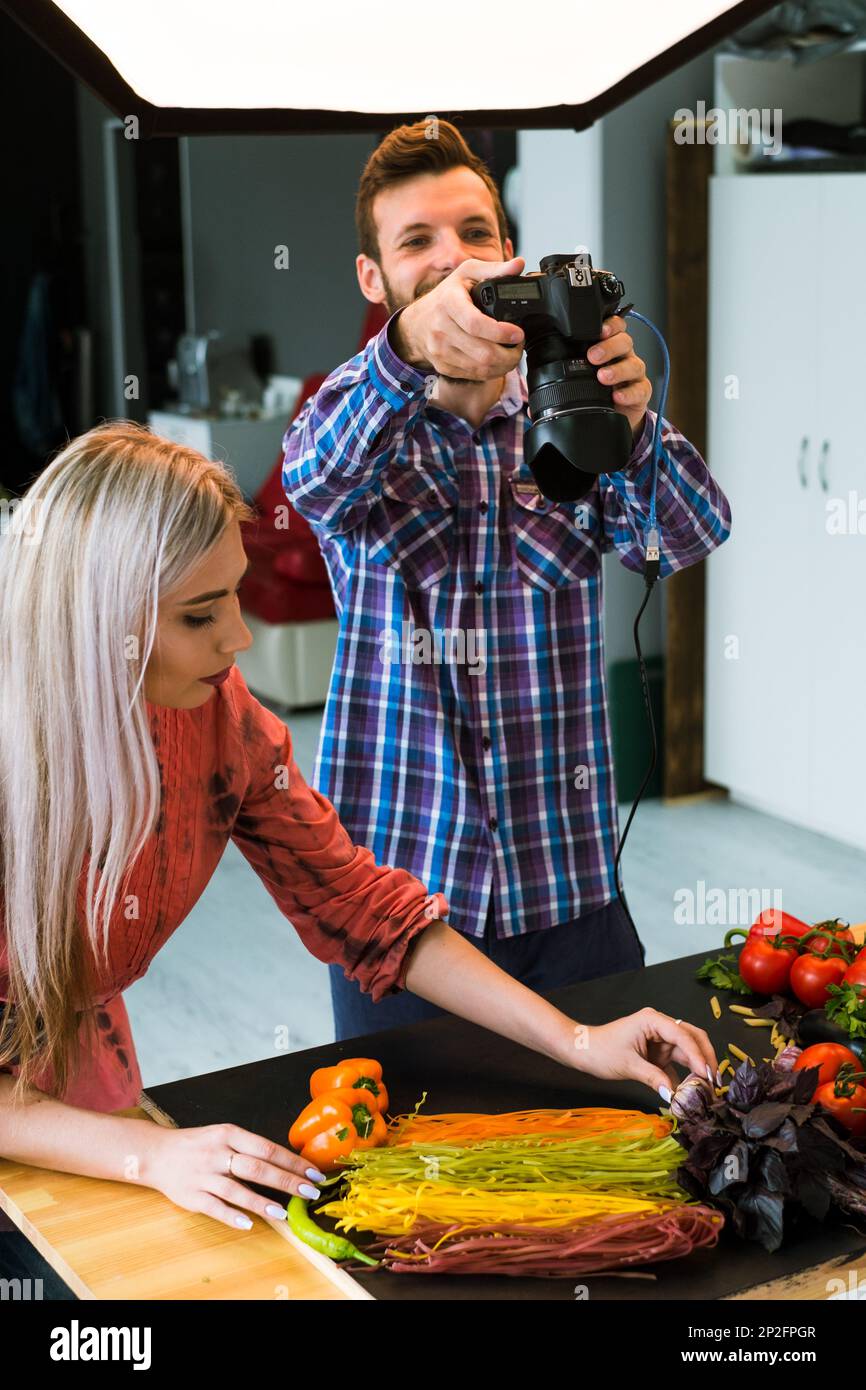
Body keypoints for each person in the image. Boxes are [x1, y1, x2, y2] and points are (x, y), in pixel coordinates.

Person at [0, 422, 716, 1280]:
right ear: (95, 621)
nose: (241, 640)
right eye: (201, 614)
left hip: (75, 1102)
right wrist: (149, 1156)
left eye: (235, 595)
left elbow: (366, 910)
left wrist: (576, 1042)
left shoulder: (217, 718)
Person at [281, 120, 733, 1041]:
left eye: (475, 234)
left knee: (616, 1164)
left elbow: (688, 536)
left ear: (509, 253)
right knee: (411, 1173)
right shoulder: (355, 415)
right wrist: (407, 347)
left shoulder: (569, 415)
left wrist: (636, 419)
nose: (455, 260)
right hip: (401, 909)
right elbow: (312, 477)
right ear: (375, 280)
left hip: (570, 894)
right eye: (417, 241)